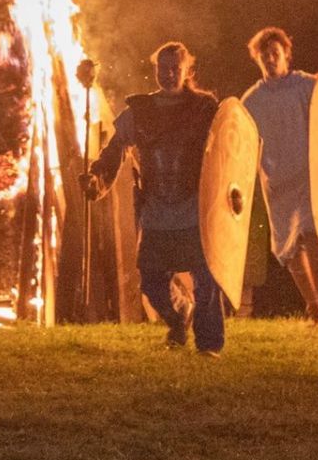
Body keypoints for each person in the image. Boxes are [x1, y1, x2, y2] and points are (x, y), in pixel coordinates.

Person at [86, 41, 225, 355]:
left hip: (194, 209)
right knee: (151, 282)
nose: (169, 73)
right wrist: (97, 178)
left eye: (176, 67)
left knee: (206, 279)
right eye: (163, 68)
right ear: (156, 71)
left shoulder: (204, 108)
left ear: (187, 69)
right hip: (156, 210)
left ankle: (209, 344)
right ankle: (178, 318)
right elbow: (115, 150)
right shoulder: (140, 112)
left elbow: (228, 147)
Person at [238, 27, 318, 329]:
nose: (270, 59)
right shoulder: (252, 100)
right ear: (258, 60)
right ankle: (313, 309)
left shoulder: (307, 86)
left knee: (316, 240)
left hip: (309, 176)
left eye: (275, 53)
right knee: (289, 248)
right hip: (277, 182)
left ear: (286, 55)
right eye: (264, 55)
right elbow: (243, 141)